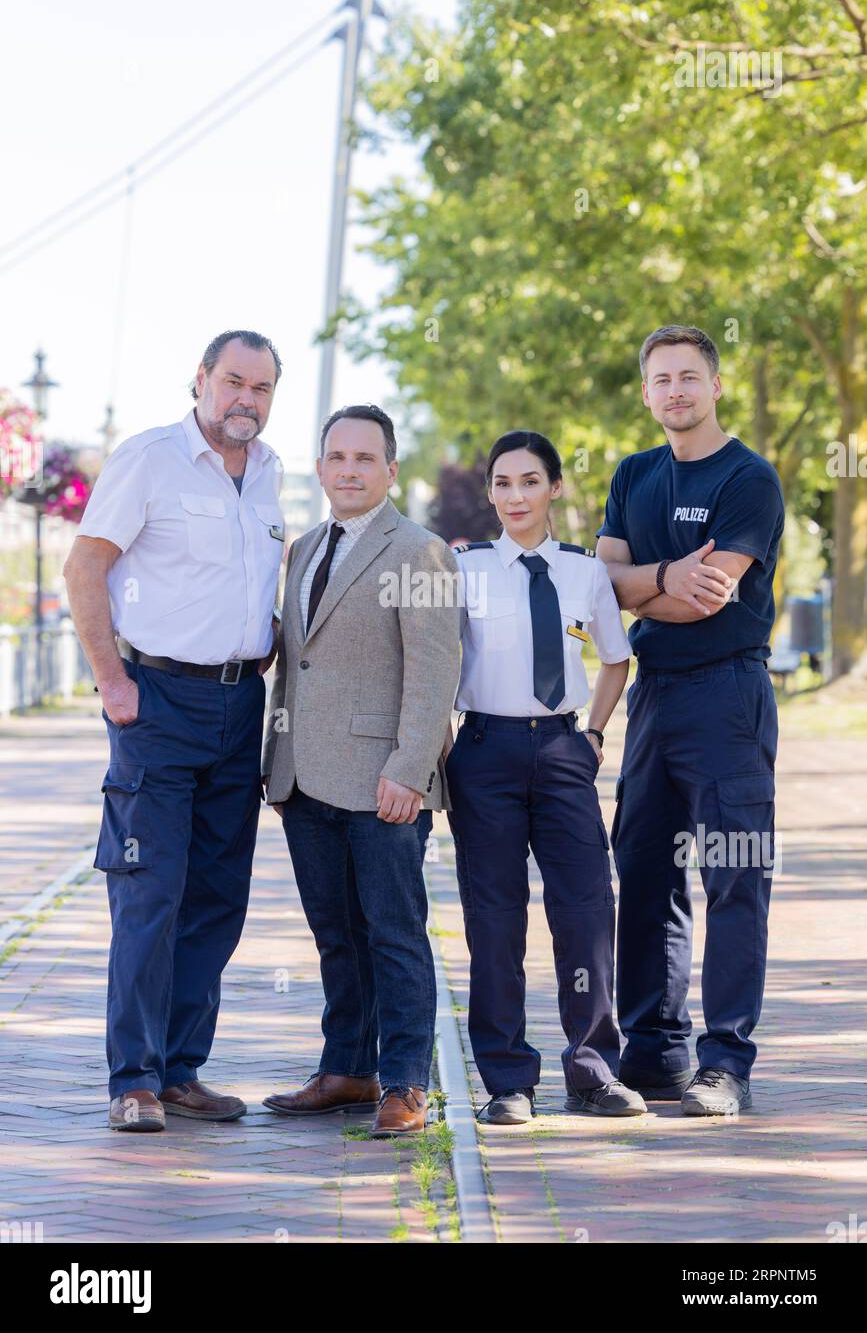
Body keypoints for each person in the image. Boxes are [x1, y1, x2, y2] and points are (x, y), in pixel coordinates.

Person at [63, 329, 285, 1133]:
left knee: (218, 900)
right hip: (156, 700)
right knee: (149, 897)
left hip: (239, 708)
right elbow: (84, 566)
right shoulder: (149, 457)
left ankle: (183, 1069)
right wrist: (112, 681)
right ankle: (134, 1080)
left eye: (261, 389)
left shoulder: (269, 474)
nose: (245, 401)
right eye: (233, 382)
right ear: (200, 381)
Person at [596, 324, 785, 1116]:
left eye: (687, 377)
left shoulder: (750, 478)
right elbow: (596, 587)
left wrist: (643, 584)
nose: (674, 390)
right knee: (642, 872)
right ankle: (653, 1052)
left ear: (713, 385)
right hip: (653, 696)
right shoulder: (633, 474)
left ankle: (725, 1064)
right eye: (660, 379)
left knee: (732, 876)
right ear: (645, 393)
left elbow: (708, 592)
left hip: (726, 695)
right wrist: (660, 577)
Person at [261, 404, 460, 1138]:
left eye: (363, 459)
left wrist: (409, 768)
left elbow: (436, 671)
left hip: (384, 779)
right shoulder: (305, 547)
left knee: (395, 932)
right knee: (335, 934)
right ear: (320, 469)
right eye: (336, 458)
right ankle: (348, 1067)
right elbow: (298, 661)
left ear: (389, 470)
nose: (348, 470)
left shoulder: (422, 551)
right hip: (302, 778)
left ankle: (406, 1081)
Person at [446, 430, 644, 1124]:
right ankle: (507, 1081)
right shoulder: (460, 566)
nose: (514, 496)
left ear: (554, 487)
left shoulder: (581, 570)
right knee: (494, 920)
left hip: (562, 753)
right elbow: (438, 664)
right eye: (502, 483)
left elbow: (615, 657)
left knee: (586, 910)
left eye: (529, 481)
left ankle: (592, 1071)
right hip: (483, 754)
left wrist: (591, 733)